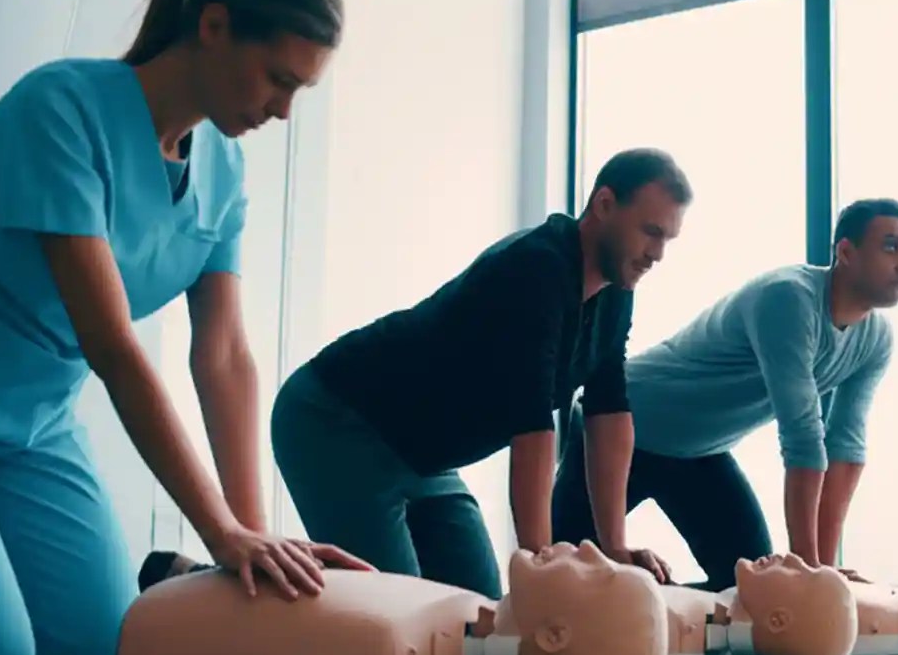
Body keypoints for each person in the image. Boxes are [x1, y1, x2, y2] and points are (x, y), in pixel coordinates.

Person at [0, 0, 376, 655]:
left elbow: (222, 357)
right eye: (278, 79)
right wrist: (217, 530)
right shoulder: (59, 109)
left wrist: (253, 536)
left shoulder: (225, 172)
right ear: (213, 25)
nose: (283, 111)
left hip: (35, 424)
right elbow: (114, 345)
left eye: (300, 90)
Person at [269, 148, 692, 601]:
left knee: (479, 619)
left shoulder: (615, 292)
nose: (657, 255)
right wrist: (543, 562)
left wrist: (615, 548)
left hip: (423, 459)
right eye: (650, 232)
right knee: (402, 621)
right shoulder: (538, 267)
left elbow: (608, 412)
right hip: (335, 421)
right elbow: (531, 428)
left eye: (668, 239)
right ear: (605, 205)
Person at [552, 198, 898, 592]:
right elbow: (803, 436)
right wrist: (807, 568)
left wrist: (823, 571)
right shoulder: (789, 298)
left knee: (753, 588)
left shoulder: (876, 339)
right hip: (623, 426)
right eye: (891, 246)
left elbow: (845, 444)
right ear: (846, 252)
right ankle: (629, 589)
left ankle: (645, 596)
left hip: (699, 452)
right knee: (558, 583)